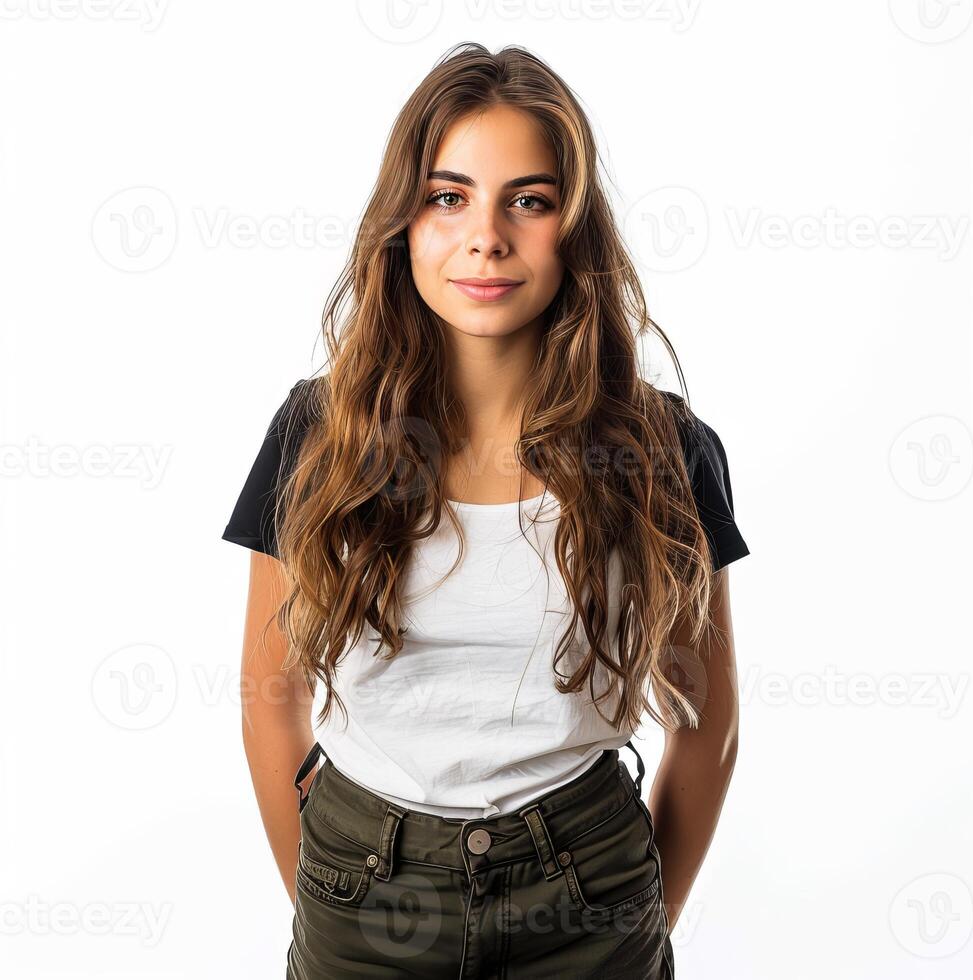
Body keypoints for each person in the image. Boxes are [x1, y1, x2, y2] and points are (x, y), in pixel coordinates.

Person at [221, 42, 749, 980]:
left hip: (591, 884)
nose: (487, 237)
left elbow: (708, 727)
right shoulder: (318, 434)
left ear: (574, 228)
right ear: (403, 223)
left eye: (530, 201)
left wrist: (633, 923)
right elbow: (273, 705)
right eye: (448, 196)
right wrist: (327, 899)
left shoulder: (662, 451)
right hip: (361, 884)